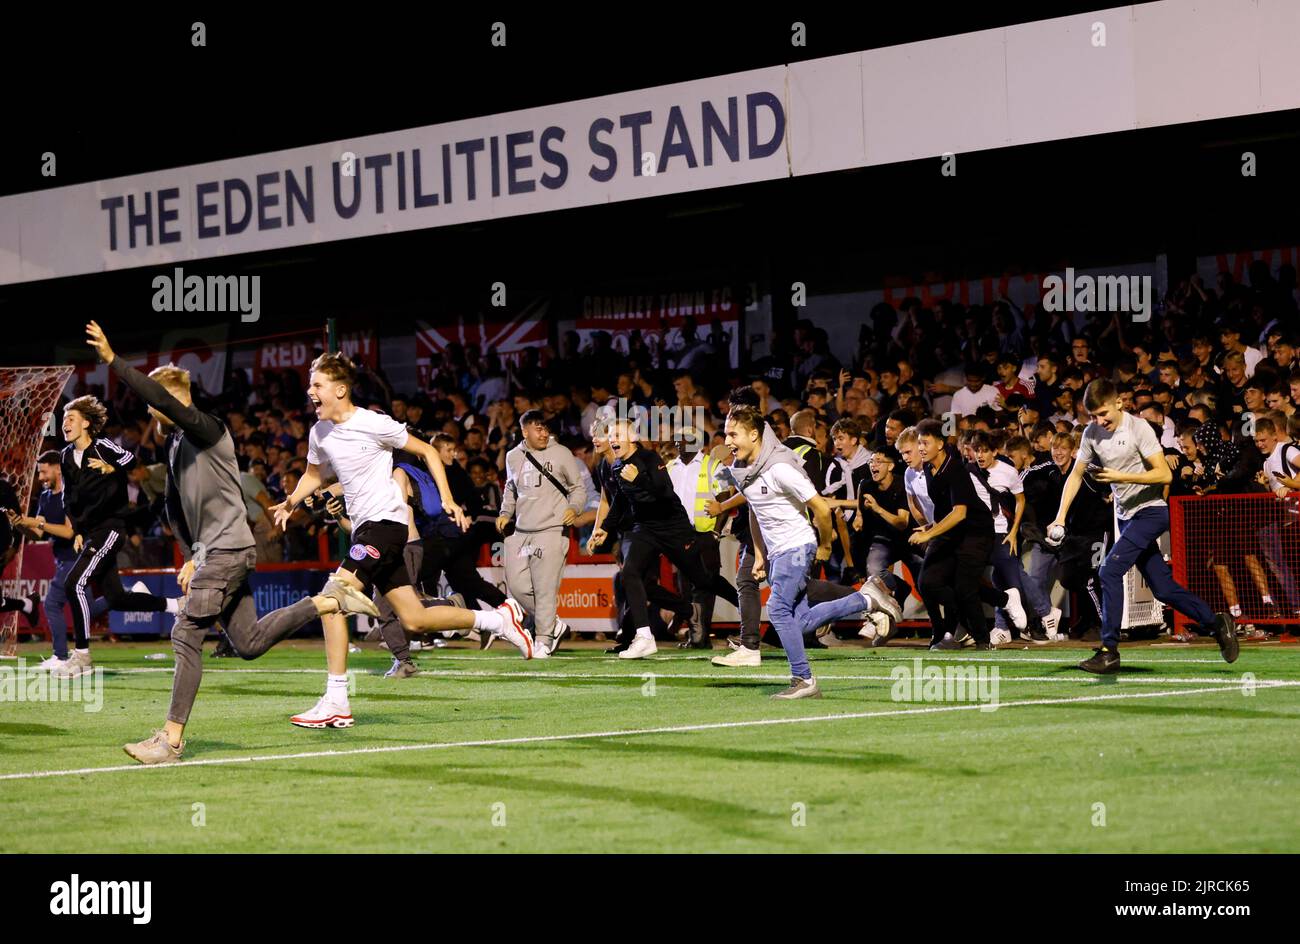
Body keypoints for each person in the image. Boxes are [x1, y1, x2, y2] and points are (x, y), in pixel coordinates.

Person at [79, 324, 389, 764]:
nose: (150, 411)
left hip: (227, 551)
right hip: (219, 553)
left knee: (186, 632)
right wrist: (192, 556)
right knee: (247, 642)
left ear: (171, 400)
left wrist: (115, 362)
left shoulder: (207, 429)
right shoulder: (175, 444)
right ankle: (328, 601)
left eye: (155, 403)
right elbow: (173, 509)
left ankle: (170, 740)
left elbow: (163, 402)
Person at [275, 352, 535, 728]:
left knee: (333, 600)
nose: (310, 391)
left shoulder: (373, 423)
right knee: (414, 619)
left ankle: (336, 701)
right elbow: (314, 474)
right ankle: (497, 619)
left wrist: (447, 499)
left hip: (386, 525)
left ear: (341, 389)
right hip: (367, 530)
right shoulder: (320, 432)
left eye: (317, 384)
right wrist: (291, 502)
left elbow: (427, 450)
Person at [1047, 379, 1237, 673]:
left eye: (1103, 414)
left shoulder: (1139, 429)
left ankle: (1109, 650)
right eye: (1094, 416)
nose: (1099, 421)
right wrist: (1060, 516)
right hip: (1126, 517)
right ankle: (1216, 623)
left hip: (1151, 512)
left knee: (1109, 571)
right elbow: (1075, 474)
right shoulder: (1091, 433)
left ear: (1118, 403)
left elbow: (1164, 475)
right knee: (1163, 588)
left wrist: (1120, 477)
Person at [720, 407, 900, 699]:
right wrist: (760, 554)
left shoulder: (780, 468)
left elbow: (820, 508)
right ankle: (867, 599)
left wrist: (825, 545)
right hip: (777, 553)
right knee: (800, 621)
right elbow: (755, 511)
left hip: (797, 546)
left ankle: (803, 679)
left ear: (753, 435)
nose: (727, 440)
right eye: (726, 434)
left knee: (778, 610)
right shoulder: (745, 470)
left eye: (733, 434)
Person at [587, 417, 738, 659]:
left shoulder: (650, 459)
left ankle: (743, 605)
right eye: (611, 435)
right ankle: (644, 637)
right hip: (645, 529)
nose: (613, 440)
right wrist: (604, 528)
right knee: (630, 573)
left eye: (617, 435)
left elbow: (664, 492)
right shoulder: (617, 466)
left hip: (672, 527)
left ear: (632, 438)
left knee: (703, 578)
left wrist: (638, 479)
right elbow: (620, 501)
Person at [57, 392, 170, 678]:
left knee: (74, 583)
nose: (65, 423)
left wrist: (112, 466)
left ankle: (82, 656)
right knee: (116, 598)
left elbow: (132, 460)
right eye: (64, 419)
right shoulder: (65, 456)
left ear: (86, 423)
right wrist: (77, 530)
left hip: (111, 527)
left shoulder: (102, 445)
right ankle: (175, 605)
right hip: (91, 531)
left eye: (71, 418)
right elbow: (68, 498)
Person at [498, 410, 588, 657]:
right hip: (521, 531)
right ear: (524, 430)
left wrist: (573, 507)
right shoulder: (513, 456)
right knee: (516, 586)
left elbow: (578, 488)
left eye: (546, 428)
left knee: (545, 588)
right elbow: (510, 489)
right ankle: (553, 624)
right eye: (538, 428)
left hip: (552, 529)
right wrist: (505, 512)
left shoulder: (561, 453)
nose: (544, 433)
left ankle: (543, 640)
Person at [6, 452, 108, 668]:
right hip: (63, 559)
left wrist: (35, 522)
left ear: (58, 469)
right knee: (89, 608)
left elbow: (68, 532)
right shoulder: (45, 497)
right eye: (39, 473)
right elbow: (38, 534)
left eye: (44, 472)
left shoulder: (71, 493)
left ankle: (60, 656)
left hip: (77, 556)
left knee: (52, 604)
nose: (41, 477)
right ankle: (130, 594)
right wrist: (20, 524)